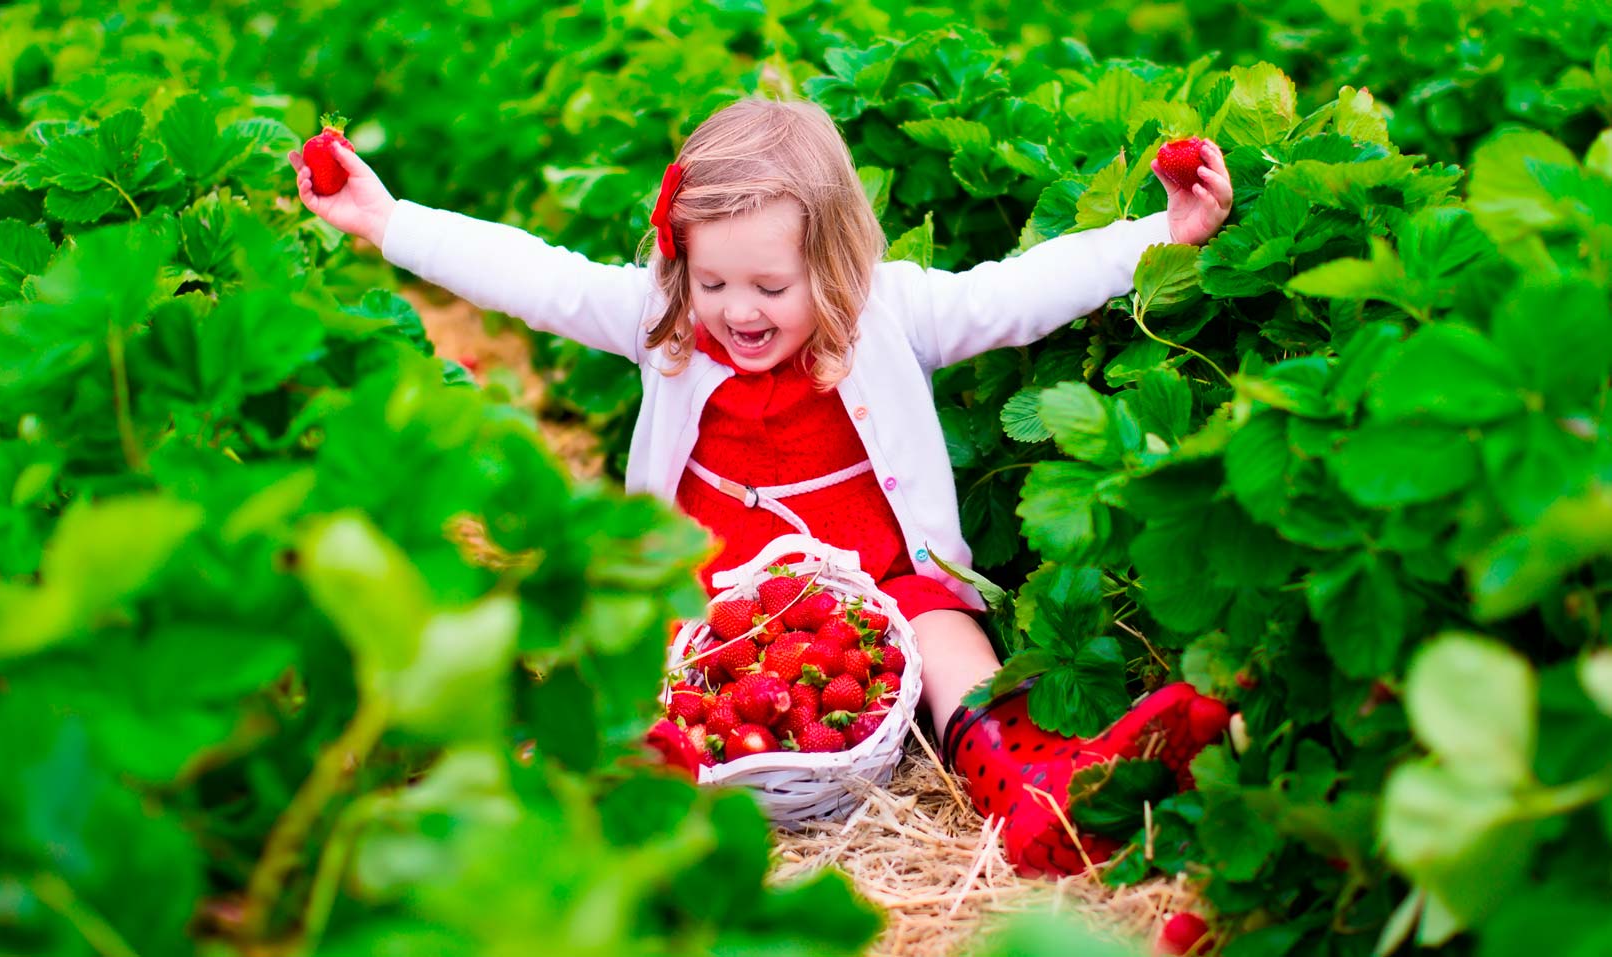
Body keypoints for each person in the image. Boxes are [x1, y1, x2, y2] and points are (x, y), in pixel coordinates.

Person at [289, 96, 1236, 877]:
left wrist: (1161, 231)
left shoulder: (891, 314)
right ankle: (598, 800)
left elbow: (1020, 289)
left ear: (833, 265)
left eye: (771, 288)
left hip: (871, 590)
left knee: (947, 631)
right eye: (714, 283)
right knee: (644, 663)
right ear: (682, 265)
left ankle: (1035, 792)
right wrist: (388, 221)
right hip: (713, 590)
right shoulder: (663, 321)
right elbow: (536, 277)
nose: (738, 312)